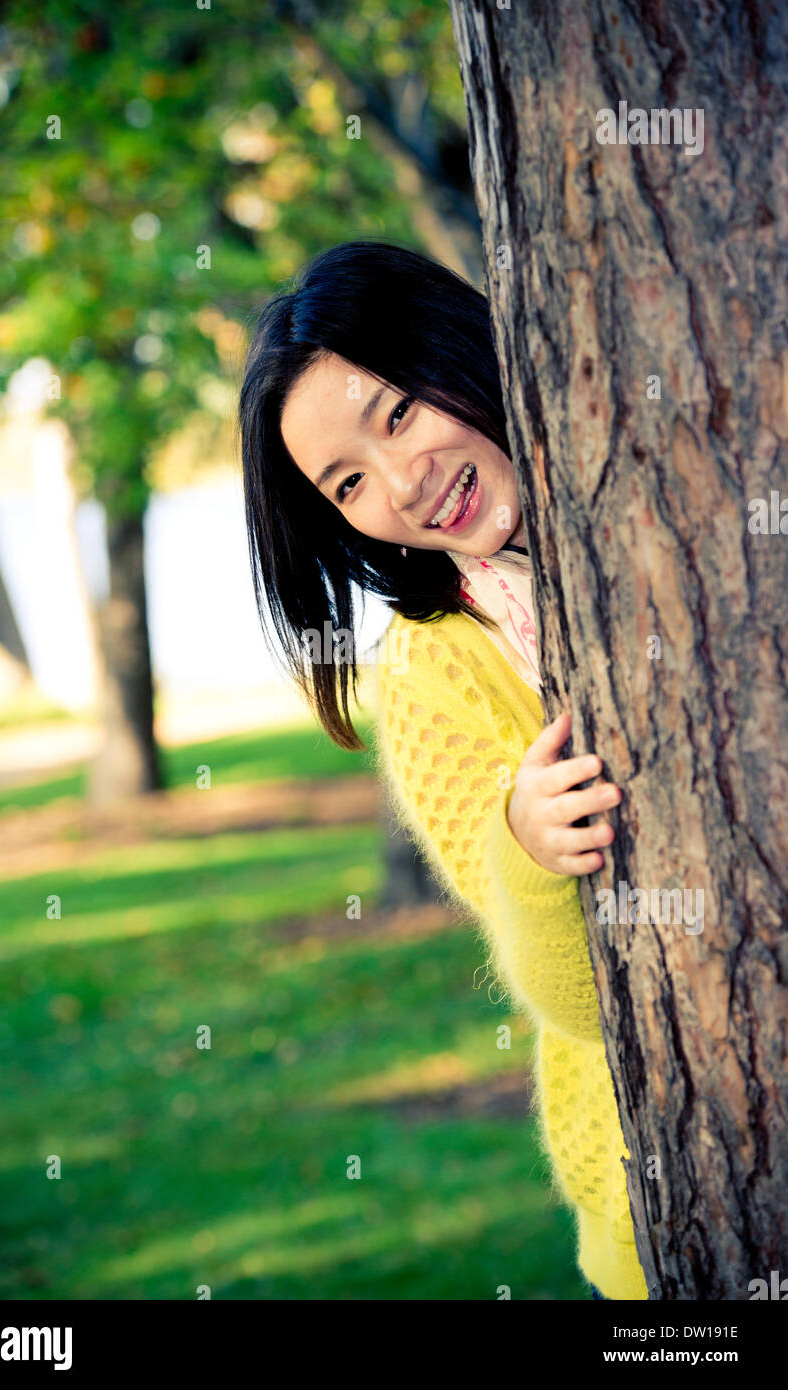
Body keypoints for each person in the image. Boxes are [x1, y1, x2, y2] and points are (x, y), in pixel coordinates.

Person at [238, 239, 647, 1301]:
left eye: (398, 413)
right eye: (348, 482)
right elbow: (577, 1003)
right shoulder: (431, 675)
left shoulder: (669, 487)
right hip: (669, 1189)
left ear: (454, 342)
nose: (405, 483)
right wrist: (526, 847)